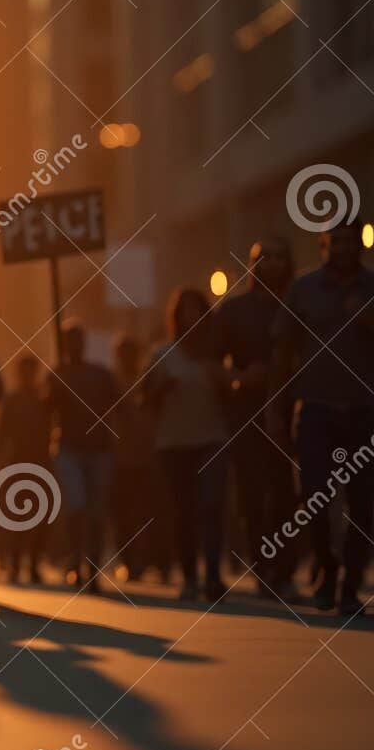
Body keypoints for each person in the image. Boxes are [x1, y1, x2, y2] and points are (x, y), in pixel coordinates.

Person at [271, 219, 373, 615]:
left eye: (351, 241)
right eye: (336, 241)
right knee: (314, 495)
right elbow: (282, 354)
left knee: (363, 504)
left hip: (364, 412)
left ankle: (350, 585)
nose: (344, 248)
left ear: (360, 245)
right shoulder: (304, 288)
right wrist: (275, 412)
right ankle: (327, 569)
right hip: (315, 409)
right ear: (323, 246)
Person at [213, 237, 298, 600]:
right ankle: (265, 570)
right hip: (246, 416)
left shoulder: (297, 304)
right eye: (266, 257)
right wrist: (239, 378)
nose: (273, 263)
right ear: (253, 264)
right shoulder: (234, 310)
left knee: (288, 495)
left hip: (295, 411)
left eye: (280, 257)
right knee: (253, 495)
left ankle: (288, 569)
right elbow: (211, 362)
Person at [143, 288, 229, 602]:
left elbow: (231, 392)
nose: (191, 317)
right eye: (185, 312)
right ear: (176, 318)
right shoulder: (161, 354)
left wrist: (226, 381)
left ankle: (213, 577)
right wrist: (161, 388)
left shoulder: (216, 355)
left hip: (212, 439)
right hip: (174, 444)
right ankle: (190, 577)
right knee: (184, 512)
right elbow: (144, 400)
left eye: (196, 310)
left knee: (212, 507)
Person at [45, 321, 119, 592]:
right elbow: (46, 409)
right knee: (76, 506)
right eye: (69, 341)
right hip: (68, 449)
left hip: (99, 449)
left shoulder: (101, 374)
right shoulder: (56, 374)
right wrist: (55, 391)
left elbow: (116, 405)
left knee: (97, 511)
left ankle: (93, 568)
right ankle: (74, 561)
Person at [110, 334, 170, 582]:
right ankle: (129, 561)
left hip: (150, 455)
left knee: (153, 511)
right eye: (123, 353)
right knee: (124, 513)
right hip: (121, 457)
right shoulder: (112, 382)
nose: (127, 358)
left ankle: (159, 561)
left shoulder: (148, 379)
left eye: (131, 352)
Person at [0, 353, 50, 582]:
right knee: (16, 514)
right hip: (17, 460)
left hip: (40, 460)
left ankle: (34, 563)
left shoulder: (44, 398)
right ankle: (15, 562)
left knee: (40, 513)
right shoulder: (13, 399)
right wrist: (0, 459)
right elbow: (2, 431)